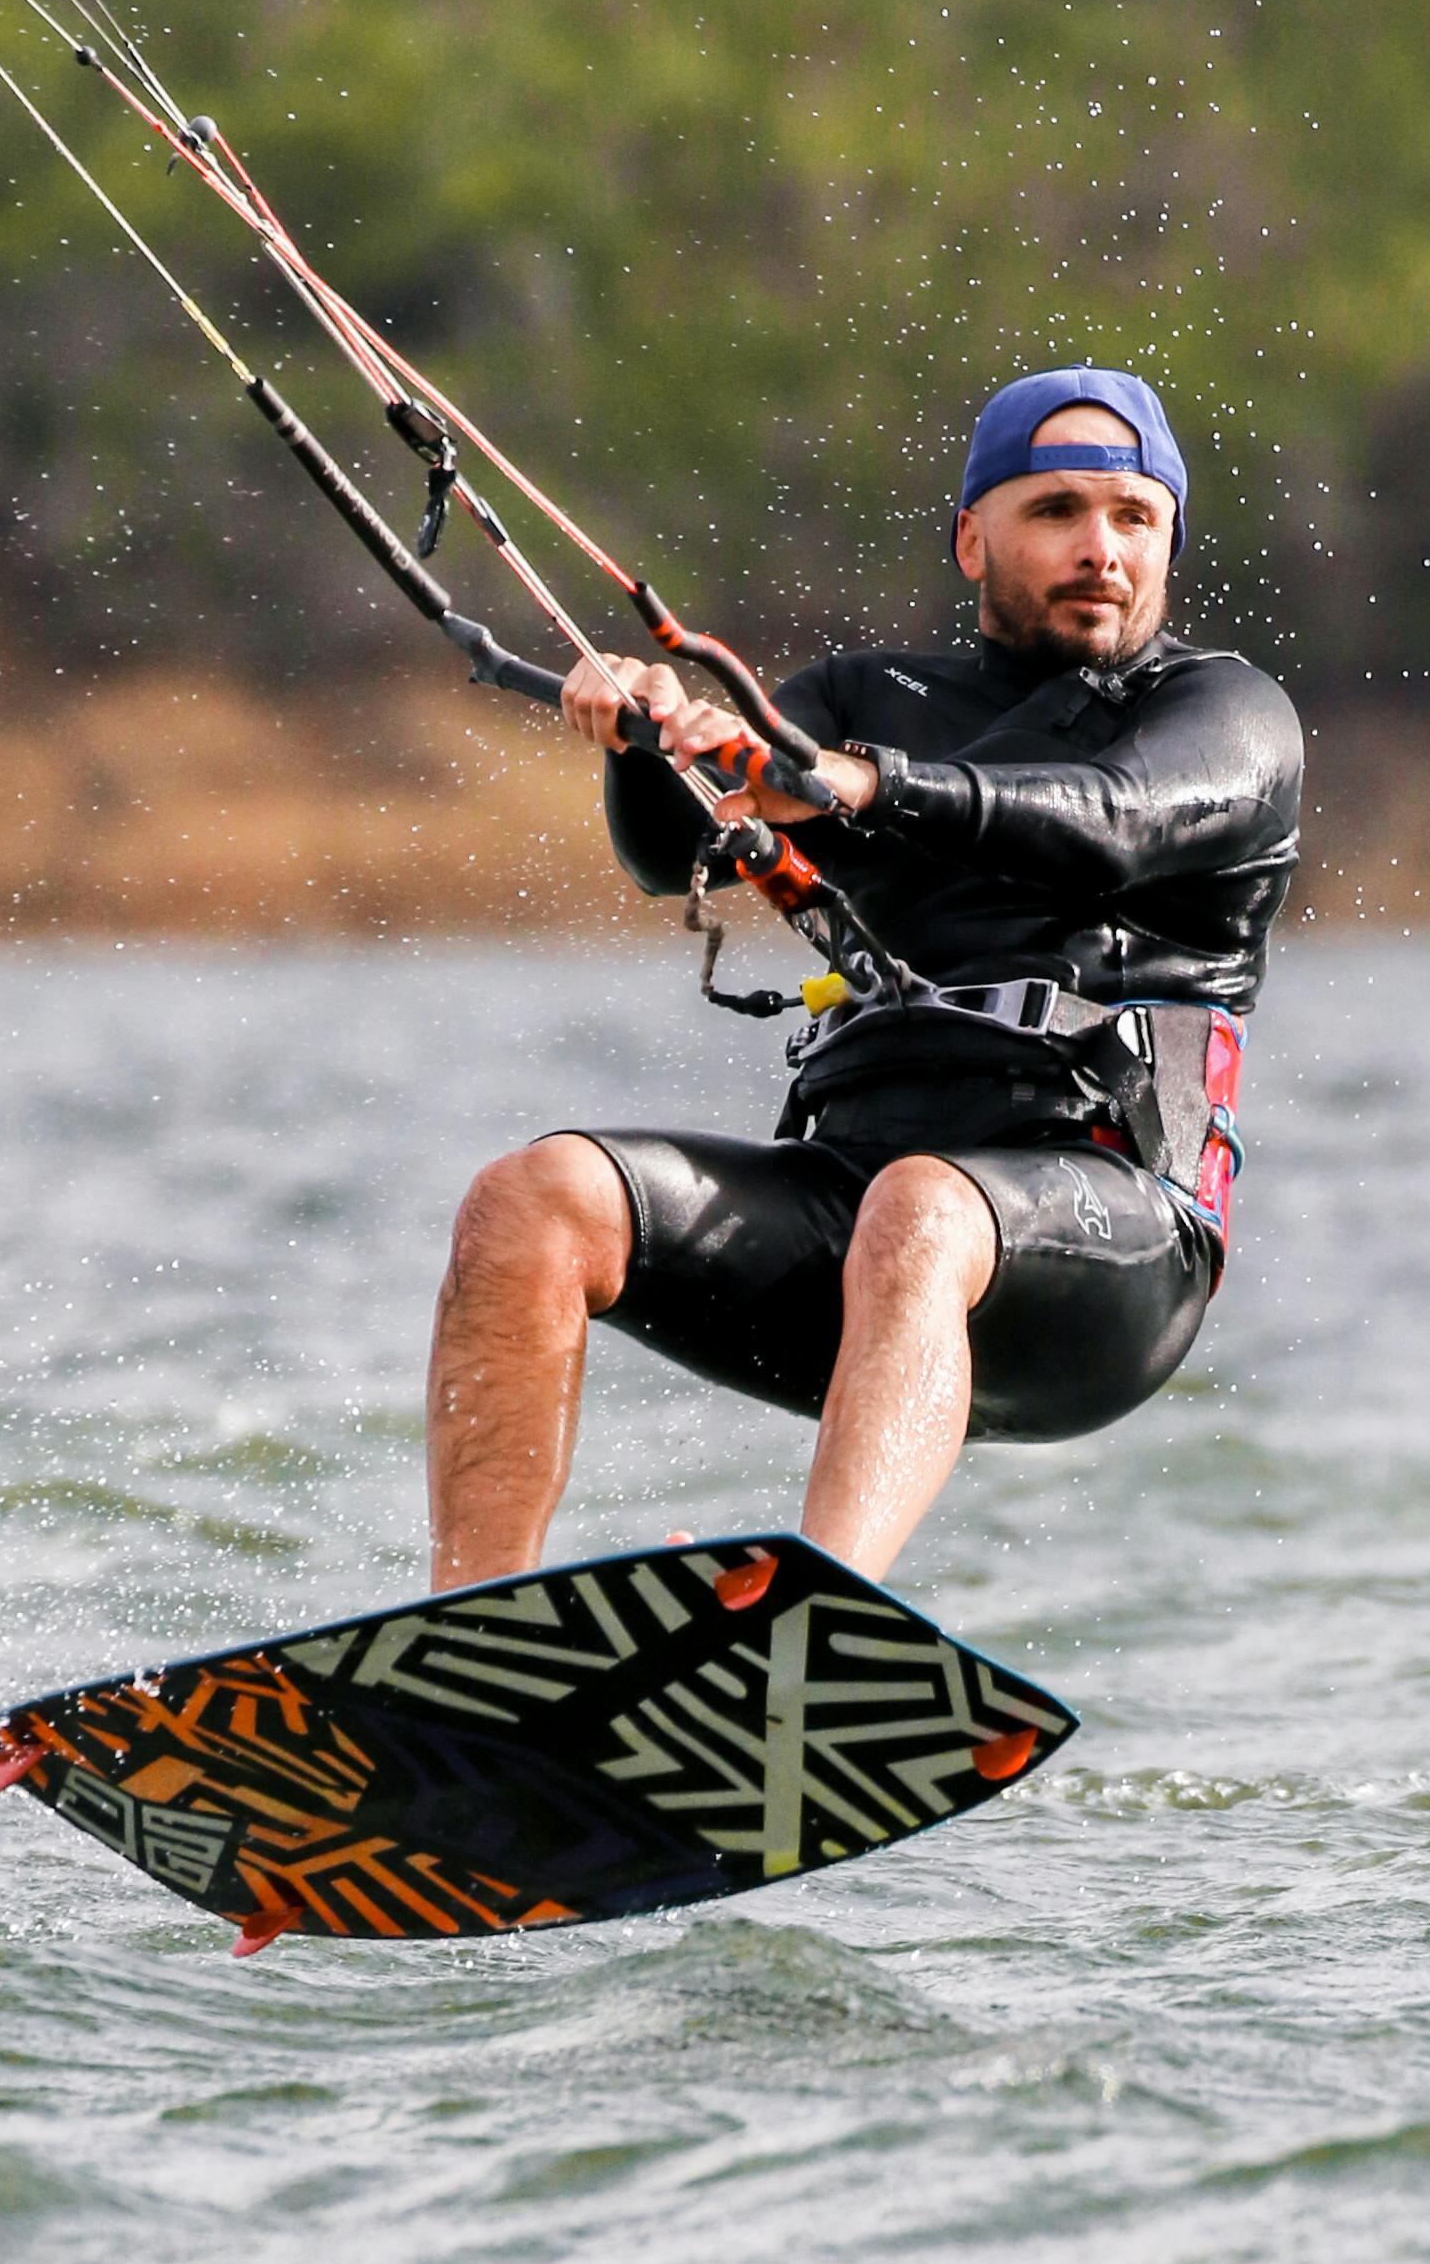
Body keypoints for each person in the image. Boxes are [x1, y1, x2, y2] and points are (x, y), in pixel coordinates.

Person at [425, 367, 1303, 1592]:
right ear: (971, 539)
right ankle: (471, 1635)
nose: (1100, 548)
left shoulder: (1225, 713)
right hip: (855, 1217)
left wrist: (865, 785)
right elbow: (677, 847)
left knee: (924, 1211)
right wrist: (643, 736)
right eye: (1055, 512)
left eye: (1131, 516)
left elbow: (1115, 821)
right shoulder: (859, 698)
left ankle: (819, 1612)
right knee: (532, 1198)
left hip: (1112, 1236)